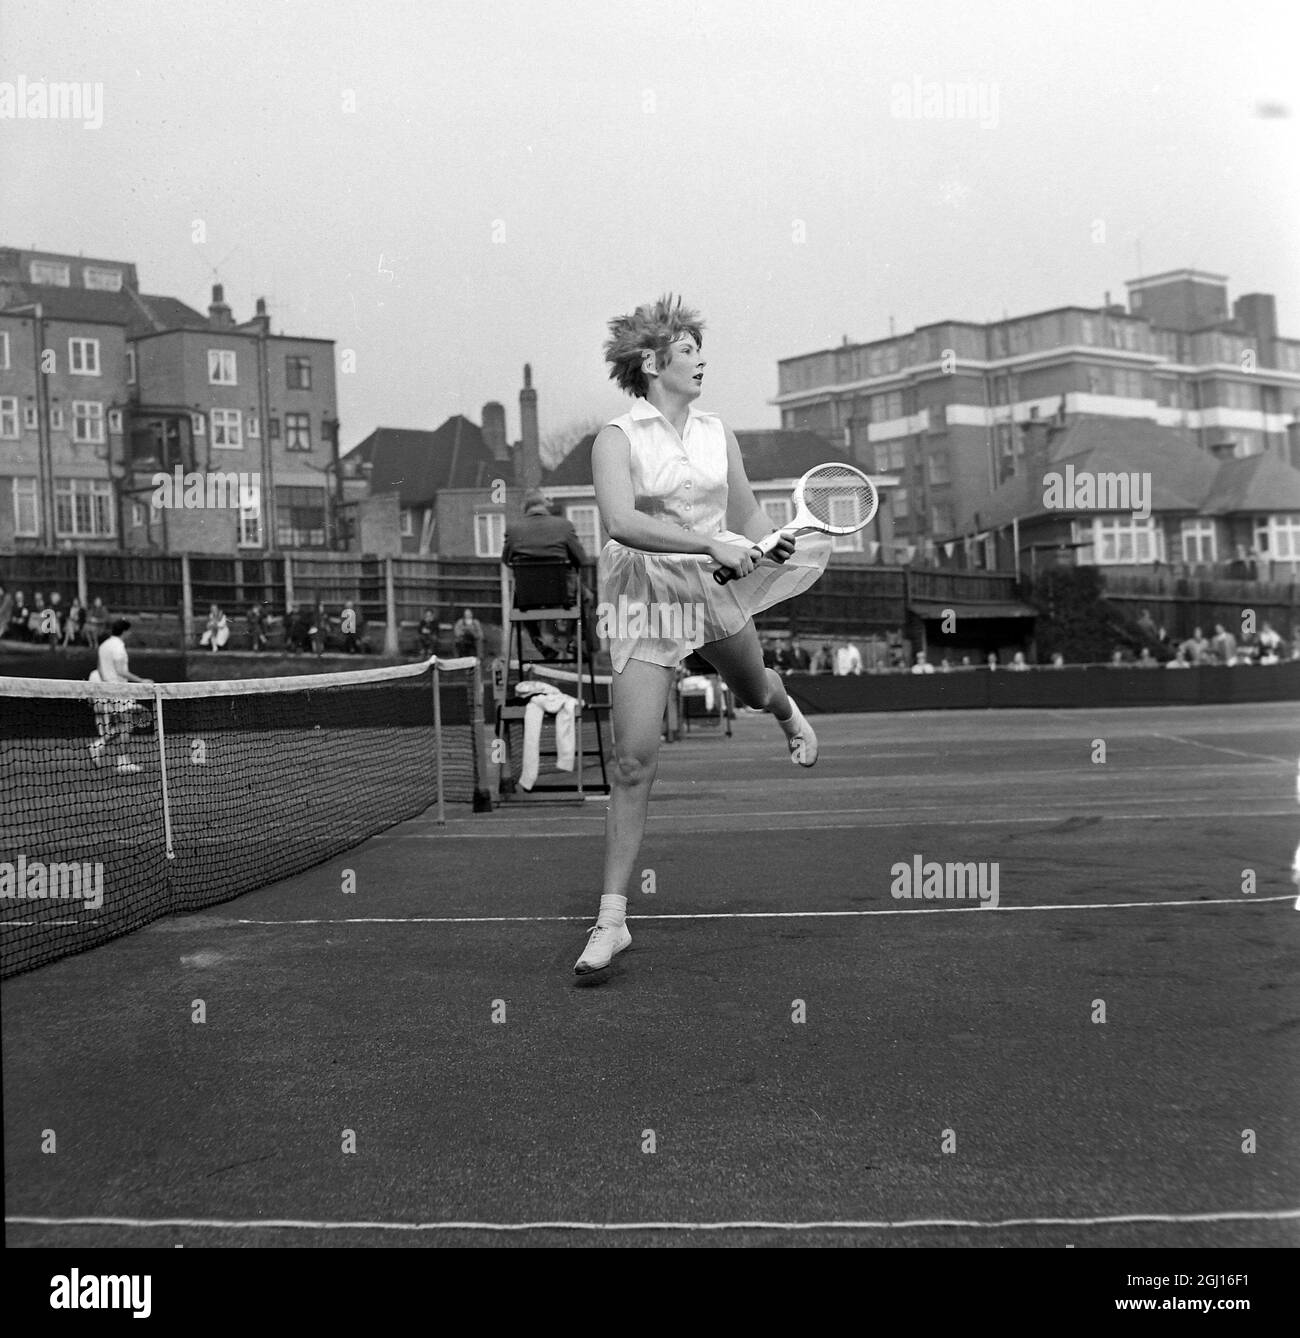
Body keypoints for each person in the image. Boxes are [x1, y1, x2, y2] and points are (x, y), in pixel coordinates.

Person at [575, 294, 829, 974]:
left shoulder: (720, 433)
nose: (701, 360)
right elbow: (621, 523)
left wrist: (761, 544)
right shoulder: (615, 439)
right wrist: (707, 544)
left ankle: (784, 708)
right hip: (642, 596)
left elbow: (745, 515)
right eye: (688, 351)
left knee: (750, 690)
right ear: (653, 363)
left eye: (698, 349)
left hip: (710, 592)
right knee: (632, 758)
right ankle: (612, 919)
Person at [501, 488, 590, 658]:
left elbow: (506, 560)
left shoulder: (513, 529)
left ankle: (539, 642)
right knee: (586, 596)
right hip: (562, 594)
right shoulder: (563, 526)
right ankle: (574, 640)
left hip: (528, 598)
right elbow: (582, 560)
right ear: (544, 505)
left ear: (525, 507)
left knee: (519, 597)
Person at [88, 618, 153, 774]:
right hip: (120, 690)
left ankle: (101, 747)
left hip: (109, 690)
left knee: (123, 725)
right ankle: (121, 761)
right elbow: (120, 671)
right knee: (126, 725)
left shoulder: (104, 645)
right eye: (129, 631)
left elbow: (100, 668)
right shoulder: (118, 646)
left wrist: (106, 686)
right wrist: (141, 681)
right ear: (125, 631)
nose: (130, 634)